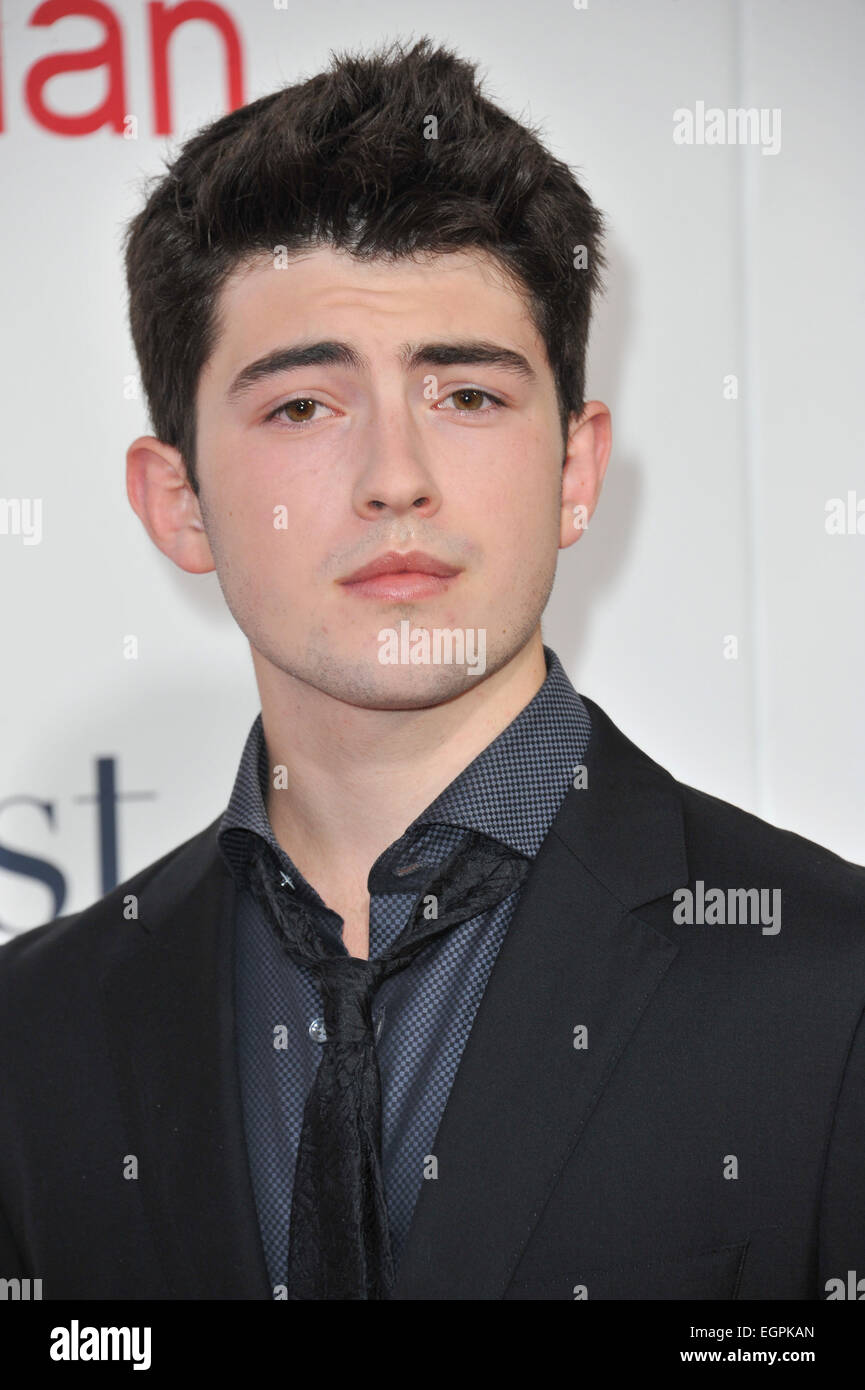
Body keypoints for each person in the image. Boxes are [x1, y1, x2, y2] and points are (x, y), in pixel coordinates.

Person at [0, 36, 862, 1303]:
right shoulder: (38, 1035)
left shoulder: (830, 985)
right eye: (303, 406)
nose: (394, 475)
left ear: (574, 470)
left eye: (465, 394)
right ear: (177, 500)